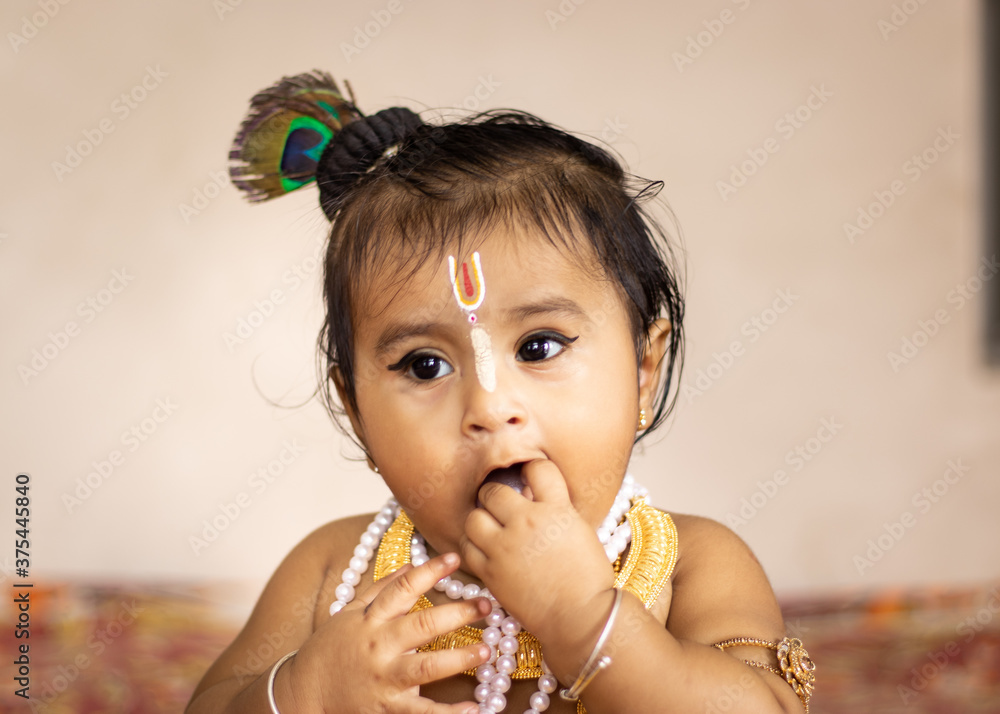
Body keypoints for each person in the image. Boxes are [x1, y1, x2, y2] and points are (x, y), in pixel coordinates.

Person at [186, 70, 815, 714]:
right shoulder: (331, 570)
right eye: (425, 366)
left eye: (539, 347)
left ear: (643, 371)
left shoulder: (692, 566)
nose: (488, 408)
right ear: (356, 414)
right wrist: (304, 694)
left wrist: (586, 619)